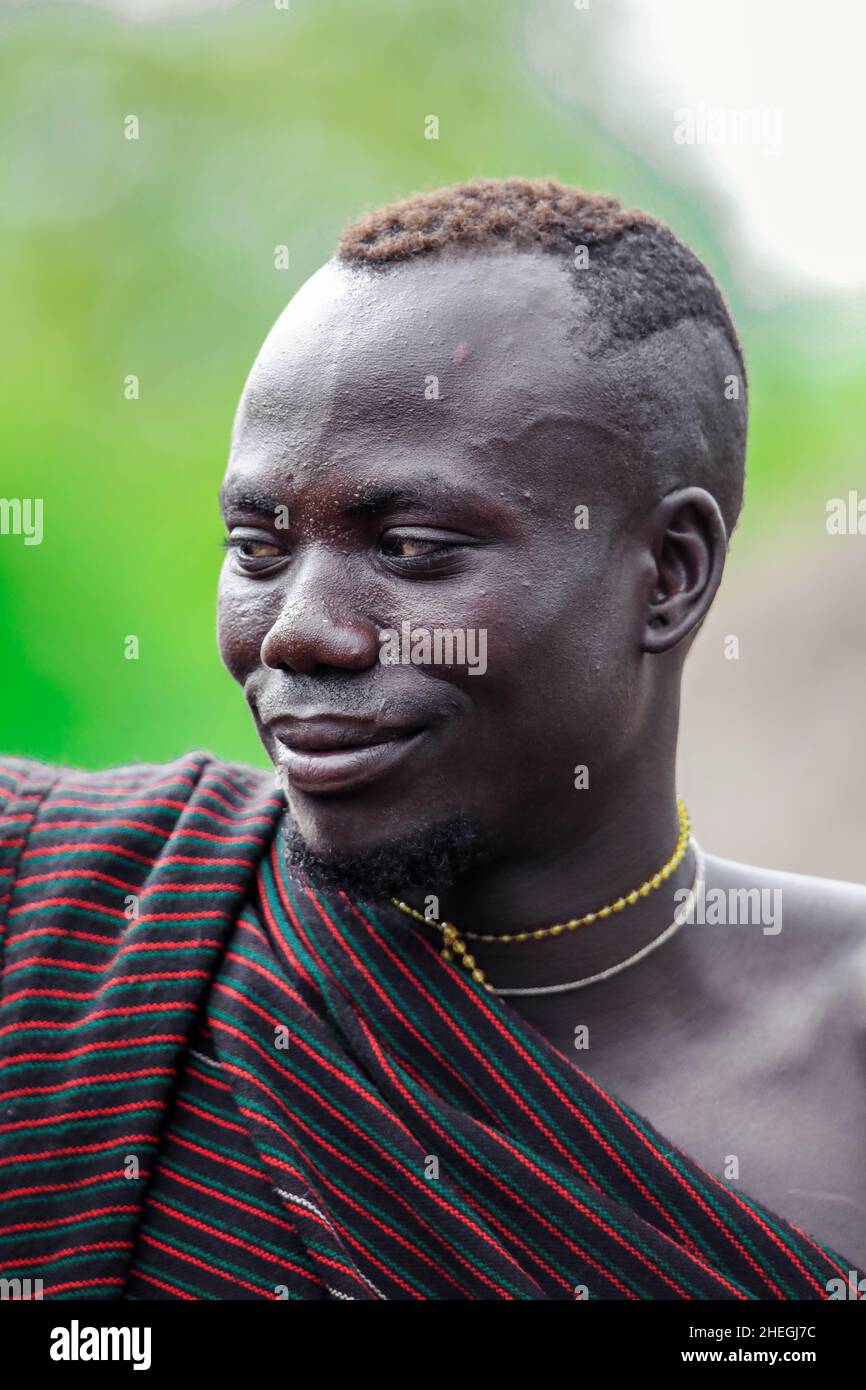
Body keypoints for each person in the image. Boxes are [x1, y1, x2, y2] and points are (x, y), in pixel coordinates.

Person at [1, 178, 863, 1301]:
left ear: (667, 573)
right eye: (258, 549)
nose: (299, 633)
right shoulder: (70, 912)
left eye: (407, 547)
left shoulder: (840, 1053)